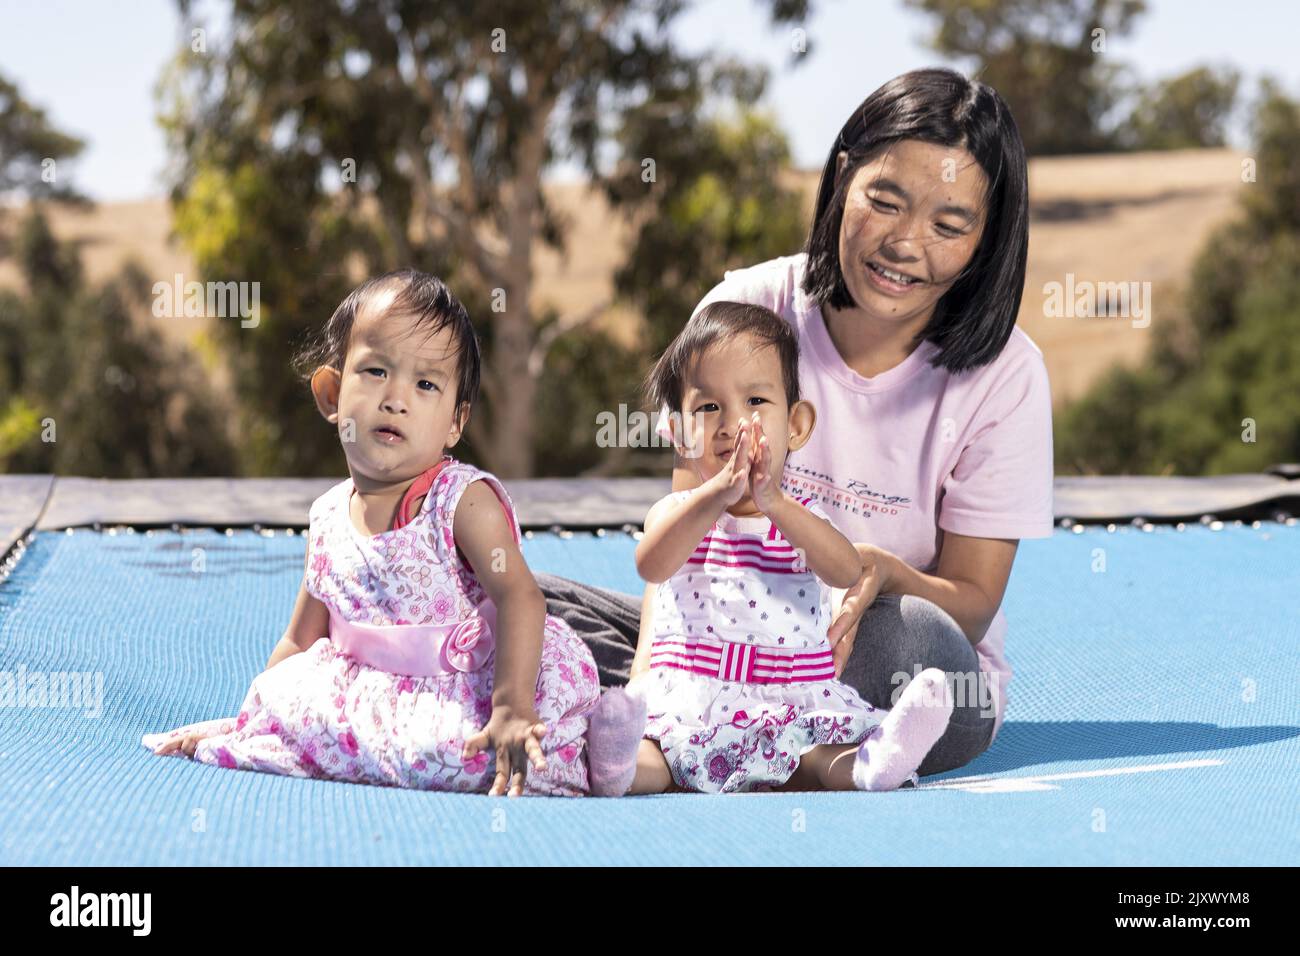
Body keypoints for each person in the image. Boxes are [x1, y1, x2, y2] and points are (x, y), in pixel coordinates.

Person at [537, 67, 1054, 777]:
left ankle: (696, 745)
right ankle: (689, 732)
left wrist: (885, 573)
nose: (906, 244)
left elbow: (968, 609)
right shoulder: (746, 306)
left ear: (986, 238)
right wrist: (650, 688)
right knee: (521, 606)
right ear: (843, 176)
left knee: (913, 646)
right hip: (727, 640)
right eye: (884, 200)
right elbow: (681, 546)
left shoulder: (1007, 376)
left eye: (949, 225)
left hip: (872, 656)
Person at [142, 270, 636, 797]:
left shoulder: (459, 500)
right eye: (376, 371)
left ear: (455, 422)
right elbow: (300, 640)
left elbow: (520, 597)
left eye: (426, 384)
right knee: (300, 722)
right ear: (332, 394)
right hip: (370, 697)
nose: (396, 398)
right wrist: (256, 718)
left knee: (476, 753)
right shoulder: (328, 516)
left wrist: (512, 706)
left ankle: (605, 753)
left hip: (464, 690)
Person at [616, 300, 952, 795]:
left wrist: (773, 503)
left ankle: (874, 766)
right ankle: (615, 767)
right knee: (659, 754)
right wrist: (715, 496)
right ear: (681, 434)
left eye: (755, 402)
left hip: (786, 701)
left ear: (795, 425)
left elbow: (843, 570)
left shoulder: (800, 519)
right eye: (708, 408)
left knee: (814, 759)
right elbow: (651, 562)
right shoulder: (681, 512)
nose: (733, 424)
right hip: (693, 697)